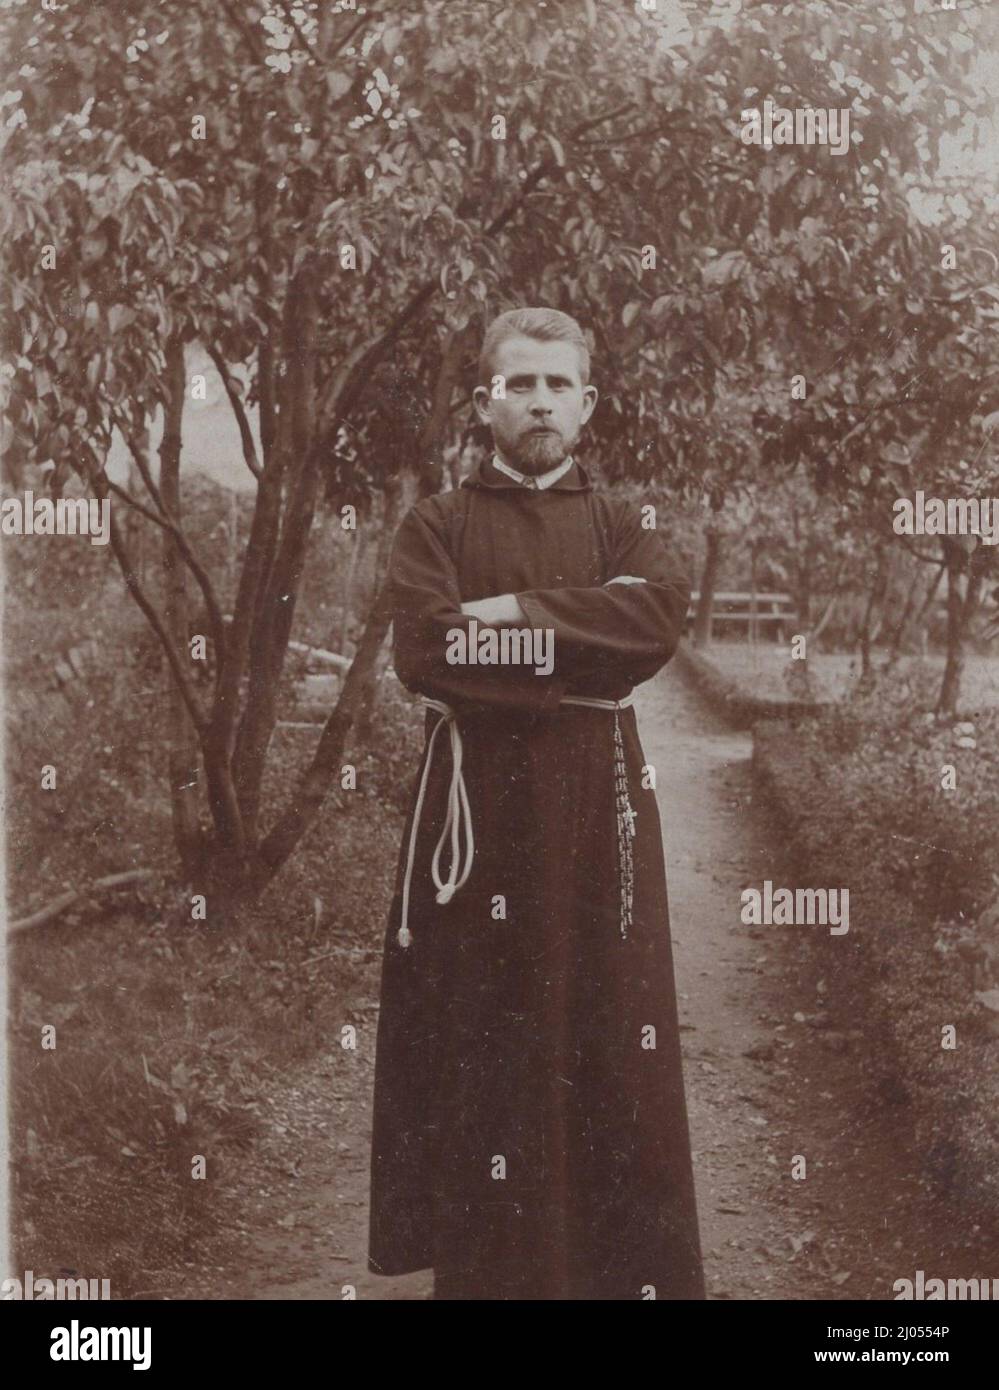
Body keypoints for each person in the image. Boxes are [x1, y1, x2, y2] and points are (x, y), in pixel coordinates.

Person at [367, 306, 705, 1301]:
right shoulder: (438, 524)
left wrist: (511, 614)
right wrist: (573, 645)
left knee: (609, 1038)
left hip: (600, 809)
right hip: (473, 816)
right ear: (486, 402)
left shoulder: (626, 522)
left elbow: (654, 620)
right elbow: (427, 648)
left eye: (559, 384)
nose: (541, 402)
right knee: (483, 1038)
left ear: (588, 403)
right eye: (521, 384)